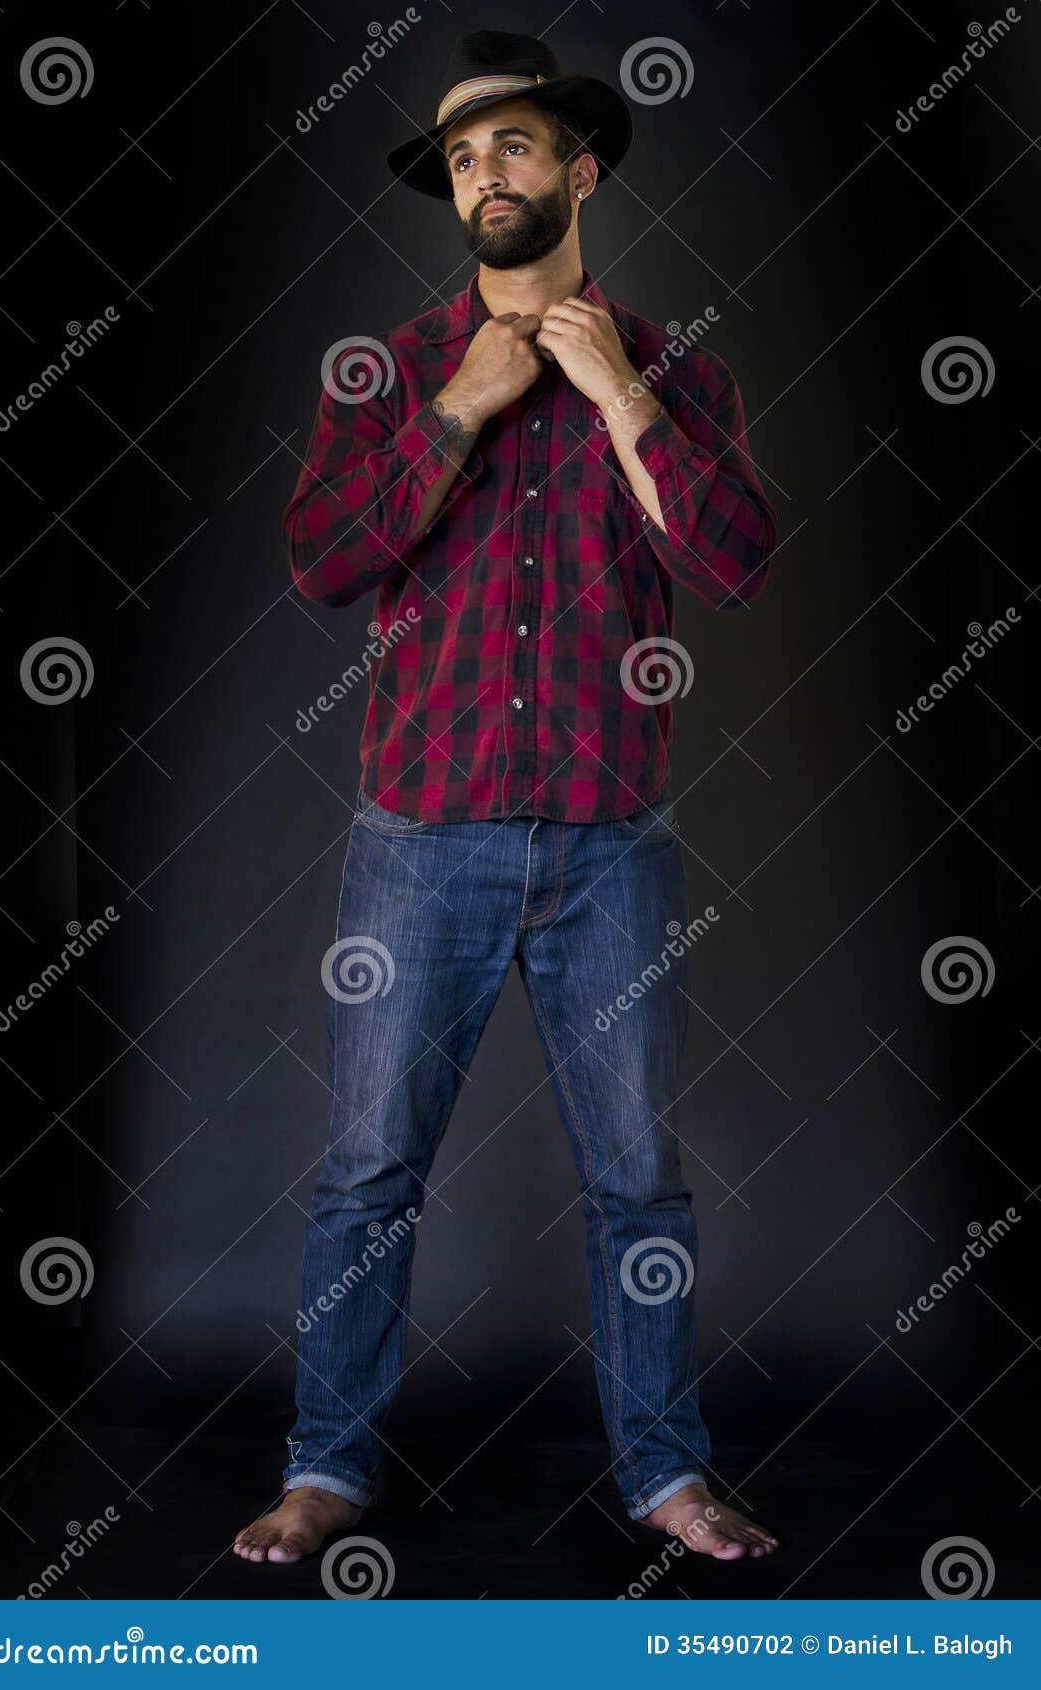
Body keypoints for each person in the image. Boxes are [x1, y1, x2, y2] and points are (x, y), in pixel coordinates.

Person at [235, 29, 779, 1569]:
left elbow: (733, 562)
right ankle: (327, 1468)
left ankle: (668, 1476)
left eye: (516, 146)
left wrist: (623, 404)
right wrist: (462, 412)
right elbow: (325, 562)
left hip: (616, 852)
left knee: (638, 1186)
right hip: (421, 848)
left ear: (581, 167)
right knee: (363, 1178)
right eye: (465, 156)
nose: (488, 173)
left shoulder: (674, 367)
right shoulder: (394, 375)